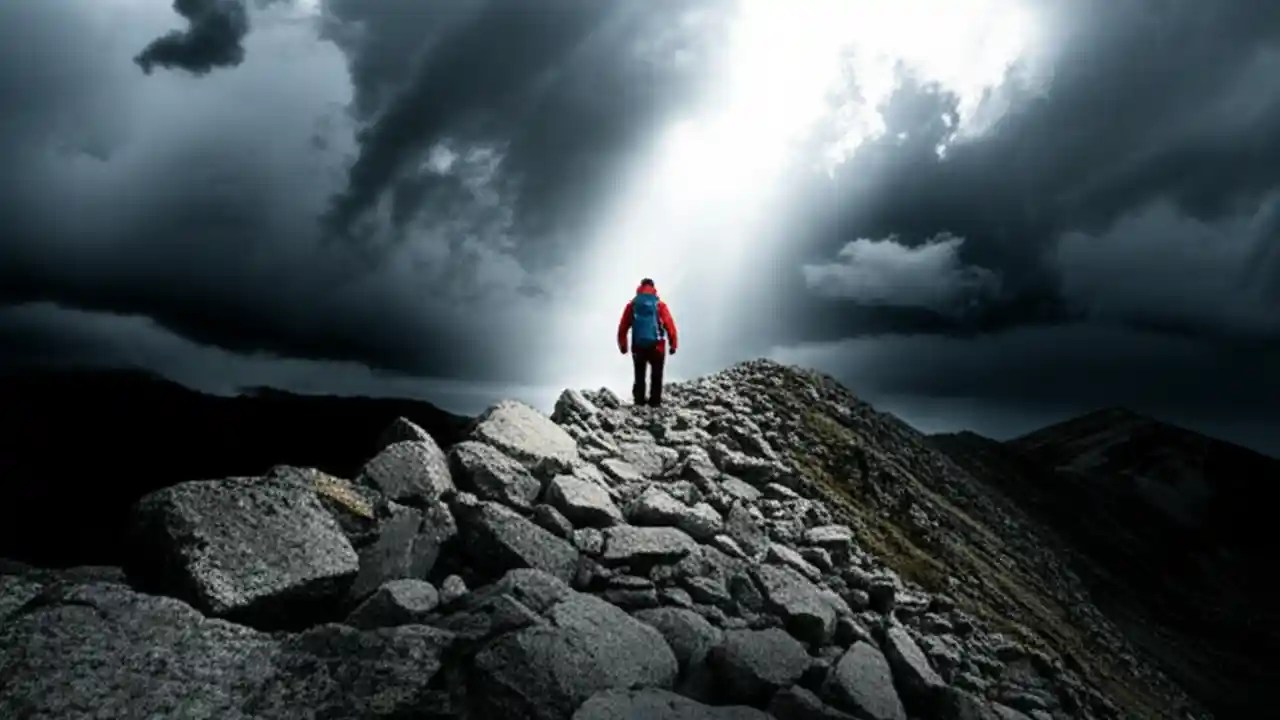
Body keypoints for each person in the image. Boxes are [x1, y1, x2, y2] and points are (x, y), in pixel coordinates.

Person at [617, 277, 678, 407]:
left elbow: (623, 327)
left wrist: (623, 346)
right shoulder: (659, 305)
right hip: (658, 347)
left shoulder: (632, 305)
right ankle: (655, 403)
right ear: (653, 287)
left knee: (639, 375)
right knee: (656, 376)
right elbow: (669, 325)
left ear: (640, 287)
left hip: (638, 346)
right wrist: (673, 344)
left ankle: (639, 402)